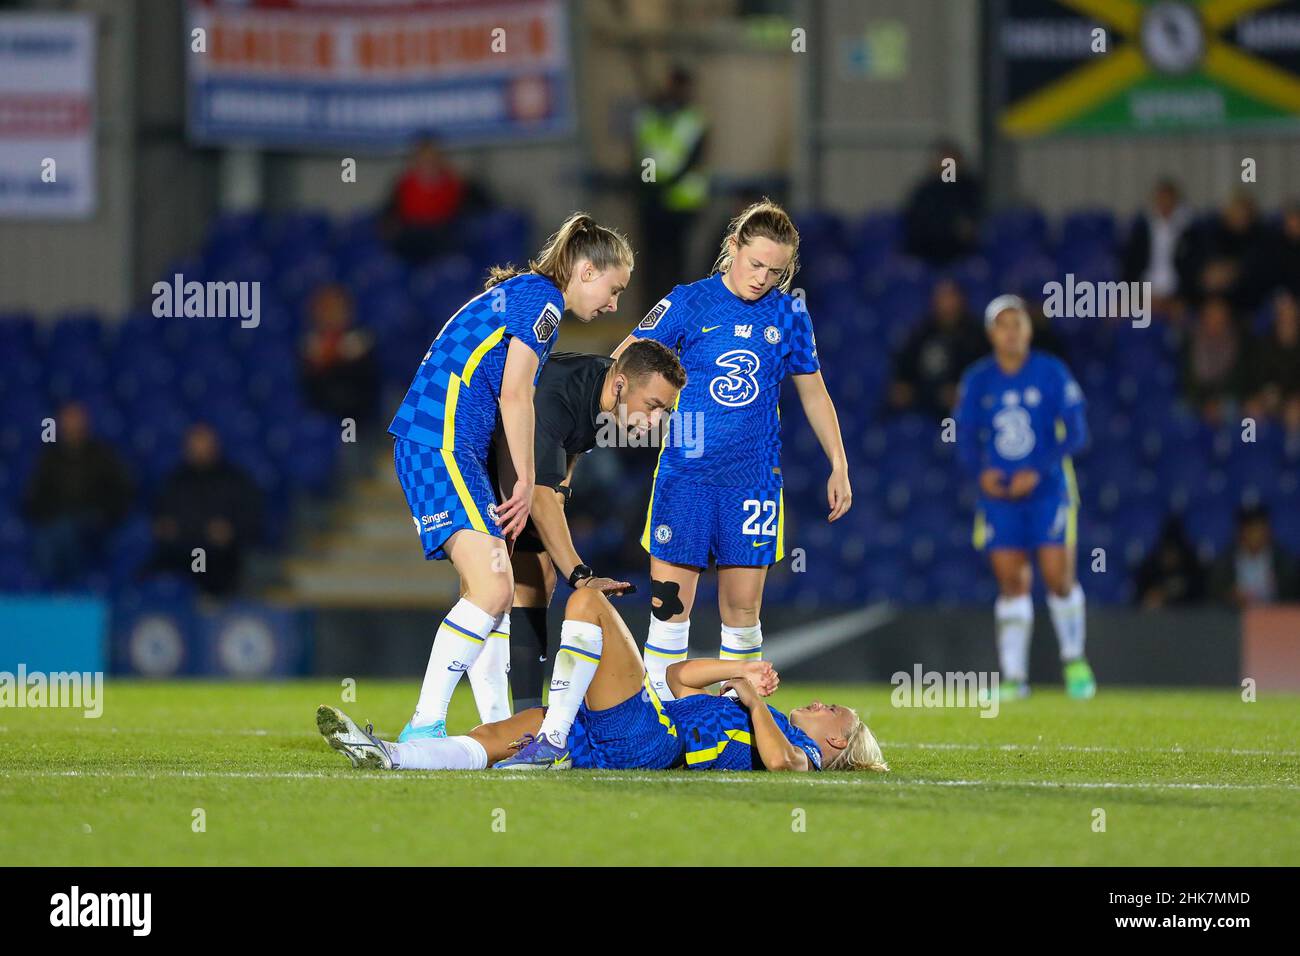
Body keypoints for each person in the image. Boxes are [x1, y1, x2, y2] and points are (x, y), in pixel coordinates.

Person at [387, 212, 633, 743]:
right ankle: (424, 726)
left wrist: (508, 485)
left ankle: (496, 728)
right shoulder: (542, 301)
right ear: (586, 271)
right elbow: (514, 395)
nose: (614, 305)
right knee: (497, 587)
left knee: (489, 587)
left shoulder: (524, 294)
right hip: (441, 440)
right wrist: (524, 482)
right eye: (614, 289)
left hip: (445, 443)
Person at [610, 199, 852, 701]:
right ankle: (659, 717)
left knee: (742, 614)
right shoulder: (688, 301)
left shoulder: (789, 316)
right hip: (685, 476)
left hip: (754, 482)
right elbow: (625, 357)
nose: (763, 277)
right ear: (733, 248)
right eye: (755, 263)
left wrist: (839, 464)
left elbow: (814, 391)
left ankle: (737, 720)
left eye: (776, 271)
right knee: (669, 608)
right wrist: (615, 407)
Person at [316, 587, 888, 773]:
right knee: (511, 729)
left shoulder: (801, 751)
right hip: (636, 735)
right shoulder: (753, 718)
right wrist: (738, 670)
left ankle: (554, 741)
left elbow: (784, 765)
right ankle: (394, 756)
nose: (819, 702)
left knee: (586, 598)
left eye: (833, 708)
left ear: (836, 740)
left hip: (652, 738)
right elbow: (680, 674)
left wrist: (751, 698)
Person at [471, 340, 687, 718]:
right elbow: (538, 494)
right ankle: (445, 719)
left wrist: (559, 494)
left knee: (537, 580)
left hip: (511, 468)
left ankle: (523, 720)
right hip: (466, 453)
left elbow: (557, 470)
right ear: (620, 384)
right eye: (653, 407)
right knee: (488, 587)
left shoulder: (604, 398)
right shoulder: (560, 395)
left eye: (665, 411)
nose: (656, 422)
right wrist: (582, 575)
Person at [954, 295, 1095, 700]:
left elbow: (1078, 431)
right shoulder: (978, 379)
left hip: (1049, 490)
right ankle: (1015, 678)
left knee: (1058, 578)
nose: (1012, 332)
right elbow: (963, 437)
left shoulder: (1051, 372)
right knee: (1012, 581)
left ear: (1029, 331)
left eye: (1018, 324)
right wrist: (982, 473)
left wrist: (1040, 470)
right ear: (991, 333)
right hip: (999, 496)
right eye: (1003, 325)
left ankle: (1075, 661)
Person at [22, 401, 133, 587]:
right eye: (67, 421)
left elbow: (122, 491)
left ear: (85, 423)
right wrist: (48, 514)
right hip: (57, 520)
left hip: (94, 521)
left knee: (64, 533)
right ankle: (49, 591)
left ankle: (69, 590)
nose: (71, 426)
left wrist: (104, 514)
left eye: (75, 420)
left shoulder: (102, 454)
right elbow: (34, 497)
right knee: (52, 535)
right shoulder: (50, 458)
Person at [147, 423, 263, 597]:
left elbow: (251, 519)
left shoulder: (234, 480)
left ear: (215, 446)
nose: (199, 450)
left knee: (207, 567)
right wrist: (164, 527)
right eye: (194, 445)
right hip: (180, 551)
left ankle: (207, 608)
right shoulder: (175, 480)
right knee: (151, 573)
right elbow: (160, 516)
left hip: (218, 554)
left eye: (203, 445)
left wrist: (230, 531)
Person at [634, 66, 709, 308]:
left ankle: (678, 315)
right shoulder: (650, 117)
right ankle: (649, 314)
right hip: (652, 201)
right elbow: (640, 154)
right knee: (651, 264)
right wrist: (651, 188)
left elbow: (692, 161)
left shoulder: (694, 121)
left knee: (677, 264)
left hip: (681, 205)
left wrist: (660, 187)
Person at [888, 278, 986, 418]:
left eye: (951, 296)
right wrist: (929, 394)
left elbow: (986, 377)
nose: (946, 304)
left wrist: (964, 392)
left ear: (961, 299)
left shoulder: (977, 335)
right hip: (923, 409)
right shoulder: (922, 334)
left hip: (966, 411)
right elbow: (902, 385)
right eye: (942, 297)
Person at [381, 136, 487, 265]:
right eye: (423, 159)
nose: (428, 163)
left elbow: (480, 206)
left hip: (445, 237)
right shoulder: (404, 185)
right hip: (412, 238)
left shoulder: (456, 183)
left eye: (432, 158)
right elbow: (390, 214)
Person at [300, 284, 379, 424]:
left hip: (370, 415)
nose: (331, 316)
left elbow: (370, 383)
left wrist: (338, 354)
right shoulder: (310, 348)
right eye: (325, 310)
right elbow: (312, 394)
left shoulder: (362, 340)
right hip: (330, 421)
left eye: (336, 308)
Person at [900, 139, 983, 265]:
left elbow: (974, 225)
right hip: (926, 255)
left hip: (962, 256)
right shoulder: (924, 192)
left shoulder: (969, 189)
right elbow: (917, 228)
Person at [1120, 177, 1192, 315]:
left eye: (1168, 199)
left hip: (1176, 295)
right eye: (1161, 199)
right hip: (1144, 292)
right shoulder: (1142, 228)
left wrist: (1182, 297)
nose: (1164, 203)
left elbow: (1191, 269)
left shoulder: (1188, 230)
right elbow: (1131, 265)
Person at [1209, 506, 1300, 608]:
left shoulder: (1284, 560)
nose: (1257, 535)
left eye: (1260, 528)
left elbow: (1292, 594)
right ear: (1241, 532)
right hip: (1234, 618)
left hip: (1276, 617)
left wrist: (1278, 589)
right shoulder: (1224, 562)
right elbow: (1215, 595)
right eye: (1251, 529)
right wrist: (1230, 597)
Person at [1134, 516, 1206, 609]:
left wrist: (1168, 594)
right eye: (1165, 553)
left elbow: (1201, 598)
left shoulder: (1192, 569)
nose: (1168, 558)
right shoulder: (1150, 570)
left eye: (1172, 552)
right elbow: (1139, 597)